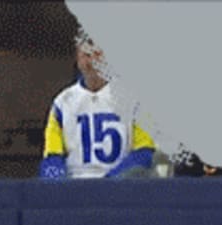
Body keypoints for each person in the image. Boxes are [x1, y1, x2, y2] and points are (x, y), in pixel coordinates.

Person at [38, 33, 156, 179]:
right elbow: (52, 155)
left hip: (120, 189)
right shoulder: (62, 103)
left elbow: (144, 151)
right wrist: (57, 182)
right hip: (74, 188)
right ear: (78, 59)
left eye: (98, 54)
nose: (93, 61)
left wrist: (110, 182)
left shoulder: (134, 101)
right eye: (86, 55)